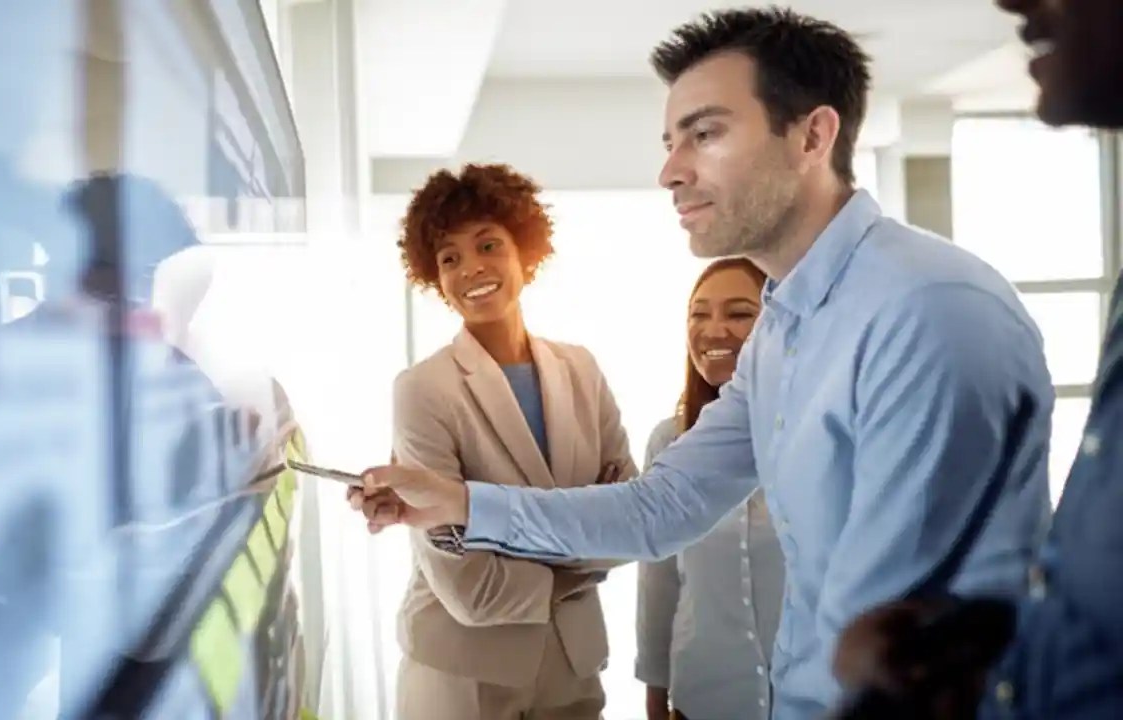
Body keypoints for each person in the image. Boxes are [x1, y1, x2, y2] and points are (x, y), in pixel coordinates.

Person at [349, 9, 1054, 719]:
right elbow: (662, 506)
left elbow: (910, 638)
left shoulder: (927, 310)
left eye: (706, 134)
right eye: (670, 141)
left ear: (813, 135)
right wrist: (461, 503)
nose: (670, 171)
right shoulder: (783, 327)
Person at [832, 1, 1123, 718]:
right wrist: (988, 648)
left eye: (705, 133)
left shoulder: (940, 304)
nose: (1011, 1)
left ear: (812, 135)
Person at [388, 163, 635, 720]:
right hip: (461, 671)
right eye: (449, 258)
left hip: (573, 664)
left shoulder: (581, 369)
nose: (471, 268)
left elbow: (632, 516)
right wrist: (579, 558)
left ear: (526, 252)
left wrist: (513, 543)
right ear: (435, 277)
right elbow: (467, 587)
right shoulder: (422, 390)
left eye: (488, 245)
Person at [635, 257, 783, 720]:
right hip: (704, 701)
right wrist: (656, 698)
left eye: (739, 313)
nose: (714, 330)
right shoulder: (669, 440)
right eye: (699, 314)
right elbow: (657, 583)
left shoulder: (823, 432)